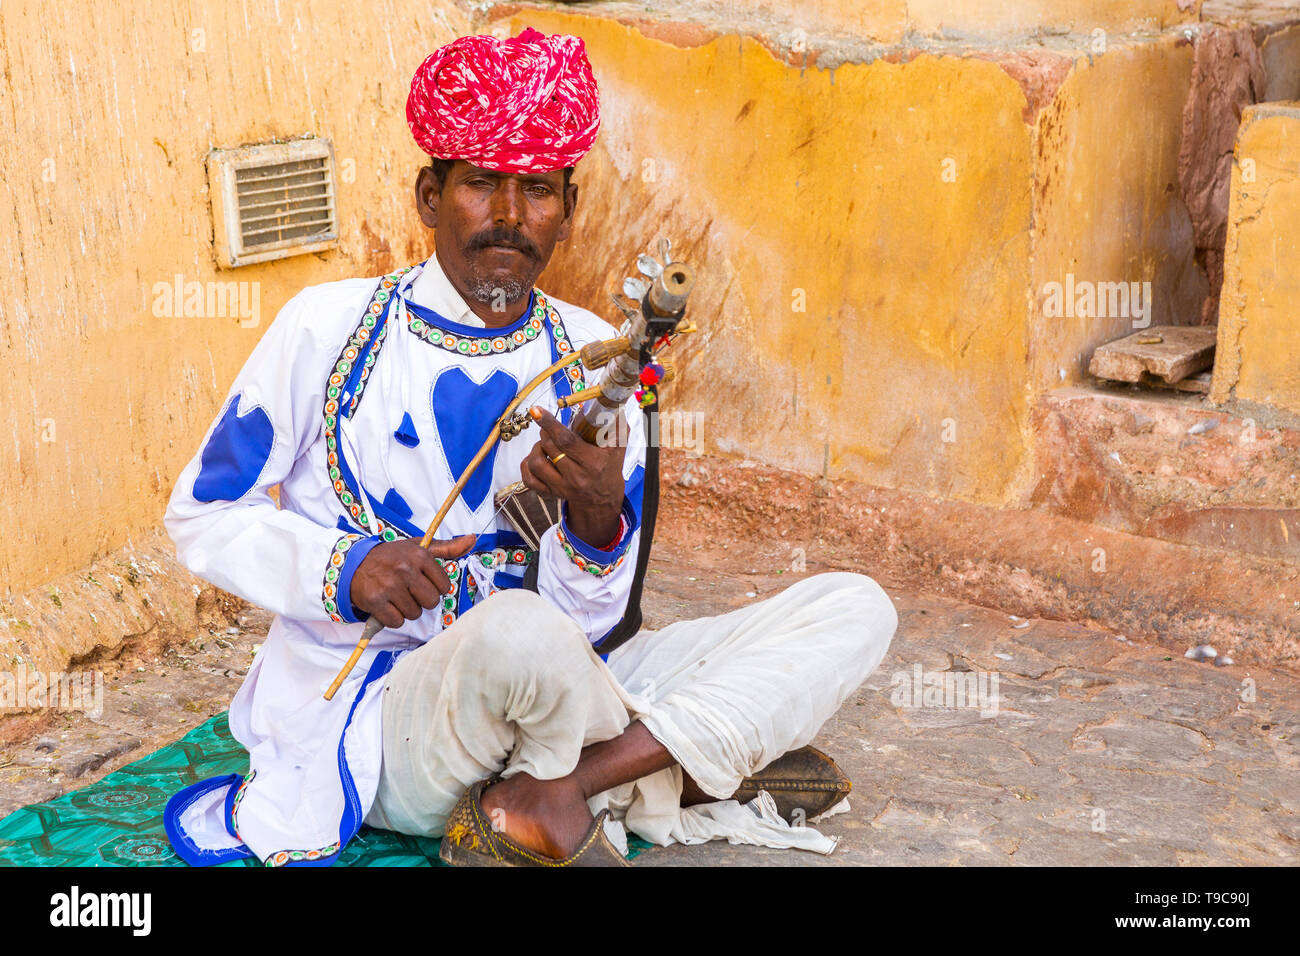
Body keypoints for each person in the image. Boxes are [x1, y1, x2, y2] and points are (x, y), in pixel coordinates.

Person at [163, 26, 897, 868]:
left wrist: (593, 520)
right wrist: (348, 566)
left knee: (854, 607)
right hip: (389, 713)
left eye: (539, 191)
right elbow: (204, 515)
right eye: (482, 184)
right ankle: (657, 770)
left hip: (562, 684)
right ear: (429, 196)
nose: (511, 216)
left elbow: (596, 625)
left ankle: (556, 791)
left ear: (569, 212)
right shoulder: (324, 328)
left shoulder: (600, 362)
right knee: (517, 633)